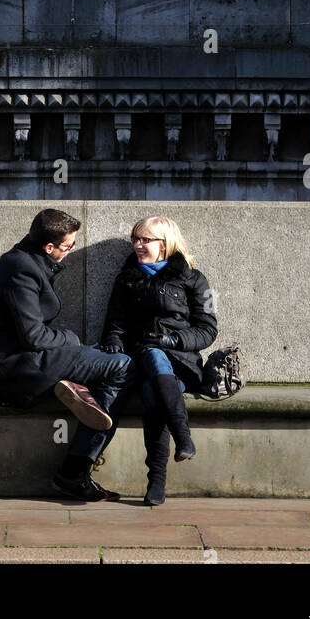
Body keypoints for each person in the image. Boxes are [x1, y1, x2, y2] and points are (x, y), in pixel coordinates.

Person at [0, 207, 135, 501]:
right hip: (13, 368)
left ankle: (80, 395)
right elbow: (33, 335)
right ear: (50, 247)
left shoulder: (27, 261)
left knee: (104, 356)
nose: (71, 251)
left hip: (26, 359)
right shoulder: (21, 268)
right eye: (69, 246)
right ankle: (74, 472)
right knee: (121, 366)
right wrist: (70, 339)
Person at [96, 215, 218, 506]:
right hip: (140, 358)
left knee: (154, 390)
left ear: (165, 243)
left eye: (145, 239)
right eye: (135, 239)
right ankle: (182, 439)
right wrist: (114, 344)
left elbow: (208, 328)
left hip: (181, 361)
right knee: (151, 356)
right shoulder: (127, 278)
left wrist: (173, 340)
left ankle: (157, 480)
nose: (138, 245)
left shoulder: (193, 277)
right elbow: (115, 324)